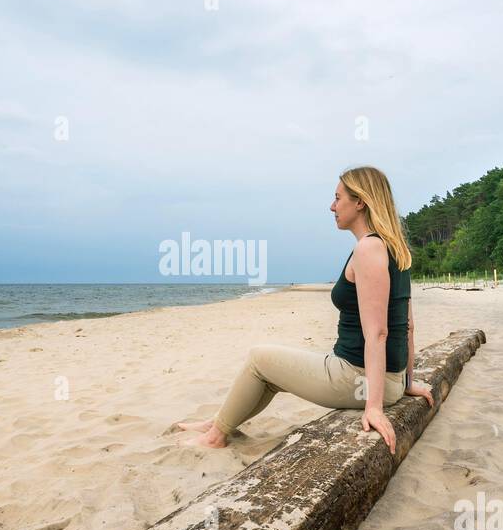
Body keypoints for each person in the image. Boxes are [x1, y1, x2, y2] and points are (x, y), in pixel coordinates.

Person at [178, 165, 435, 453]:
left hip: (357, 377)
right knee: (271, 374)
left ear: (360, 201)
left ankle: (215, 437)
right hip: (388, 380)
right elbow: (408, 325)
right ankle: (217, 424)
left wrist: (373, 406)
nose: (332, 206)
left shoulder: (368, 249)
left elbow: (378, 333)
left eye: (338, 198)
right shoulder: (395, 248)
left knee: (258, 359)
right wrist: (406, 382)